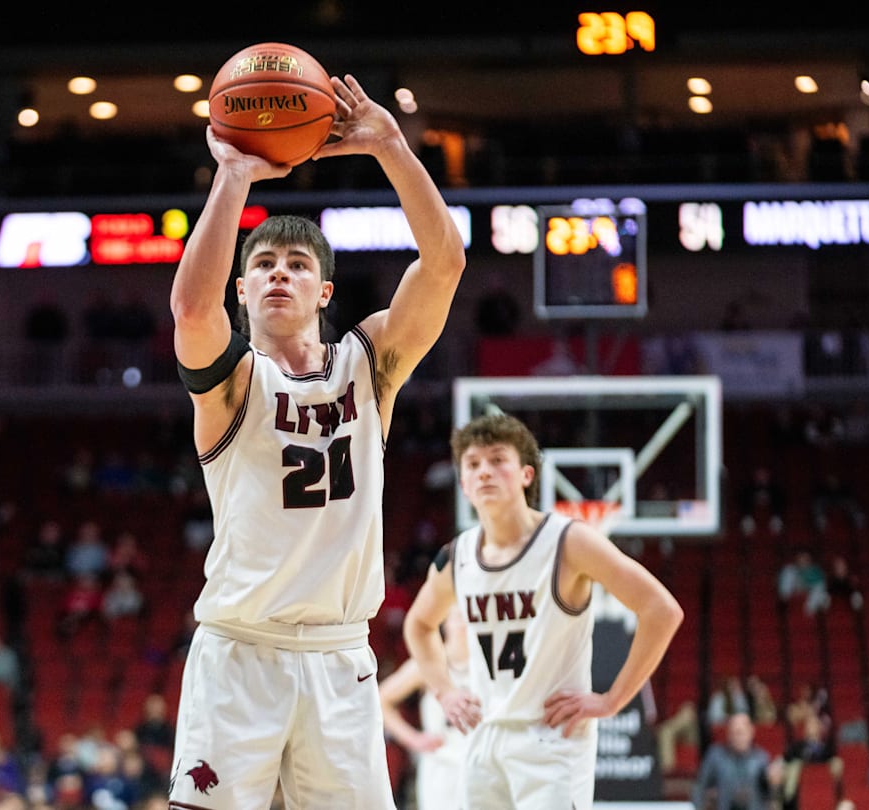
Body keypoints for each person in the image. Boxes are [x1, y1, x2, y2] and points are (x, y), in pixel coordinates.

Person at [166, 70, 466, 810]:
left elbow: (444, 265)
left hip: (340, 655)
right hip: (239, 650)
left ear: (324, 292)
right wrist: (233, 175)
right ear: (242, 290)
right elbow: (191, 308)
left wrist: (391, 147)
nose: (279, 274)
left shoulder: (370, 364)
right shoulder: (232, 384)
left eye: (298, 265)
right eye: (262, 265)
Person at [402, 412, 684, 807]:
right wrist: (445, 691)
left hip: (552, 741)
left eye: (497, 459)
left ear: (526, 475)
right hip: (485, 736)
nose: (484, 471)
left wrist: (612, 700)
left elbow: (662, 610)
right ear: (463, 483)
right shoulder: (457, 556)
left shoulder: (569, 542)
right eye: (473, 464)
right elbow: (418, 625)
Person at [379, 609, 470, 809]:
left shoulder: (489, 662)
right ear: (446, 623)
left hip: (479, 764)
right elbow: (381, 700)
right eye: (458, 618)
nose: (464, 624)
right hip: (442, 768)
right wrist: (413, 739)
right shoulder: (429, 663)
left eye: (468, 618)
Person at [691, 712, 785, 810]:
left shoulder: (761, 758)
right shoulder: (716, 756)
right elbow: (700, 787)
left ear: (751, 732)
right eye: (733, 733)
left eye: (740, 732)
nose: (737, 737)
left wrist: (774, 784)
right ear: (728, 734)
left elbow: (770, 794)